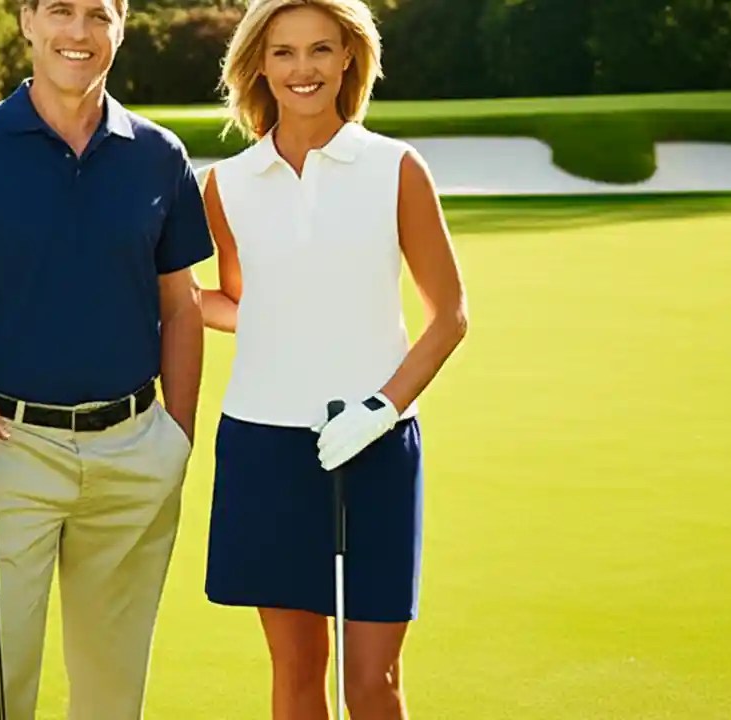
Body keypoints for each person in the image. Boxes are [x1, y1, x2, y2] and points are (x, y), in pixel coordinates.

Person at [0, 0, 214, 717]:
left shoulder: (160, 156)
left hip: (135, 451)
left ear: (122, 27)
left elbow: (182, 305)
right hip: (5, 450)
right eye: (60, 11)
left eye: (100, 15)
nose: (80, 32)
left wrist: (178, 437)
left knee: (113, 692)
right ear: (27, 23)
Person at [198, 0, 469, 717]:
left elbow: (450, 316)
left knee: (372, 683)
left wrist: (381, 408)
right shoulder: (227, 184)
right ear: (259, 63)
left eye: (321, 49)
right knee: (294, 676)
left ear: (350, 57)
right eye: (283, 52)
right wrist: (182, 302)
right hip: (262, 444)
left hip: (374, 447)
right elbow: (236, 301)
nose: (303, 69)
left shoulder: (395, 168)